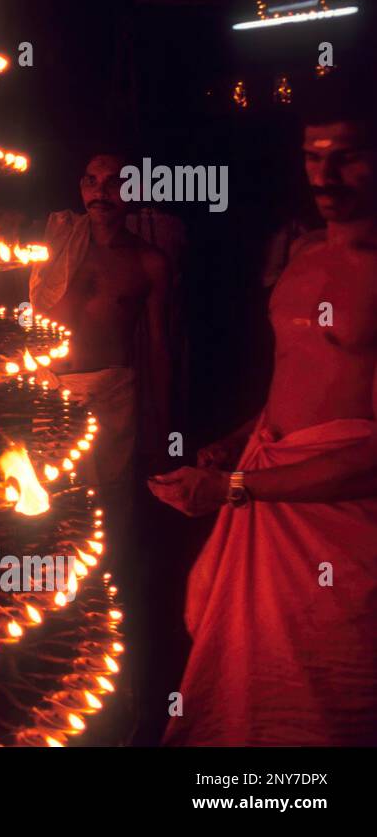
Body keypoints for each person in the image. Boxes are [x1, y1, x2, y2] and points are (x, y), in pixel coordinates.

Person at [150, 79, 377, 745]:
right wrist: (233, 443)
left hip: (338, 524)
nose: (325, 174)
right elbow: (296, 384)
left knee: (330, 692)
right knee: (245, 686)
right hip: (266, 490)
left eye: (348, 155)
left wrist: (235, 489)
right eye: (313, 156)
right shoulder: (304, 254)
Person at [30, 153, 173, 548]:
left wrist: (162, 429)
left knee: (105, 512)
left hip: (108, 398)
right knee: (45, 508)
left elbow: (160, 348)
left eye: (113, 183)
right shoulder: (54, 244)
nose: (100, 193)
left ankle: (111, 594)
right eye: (92, 182)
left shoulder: (148, 262)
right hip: (46, 393)